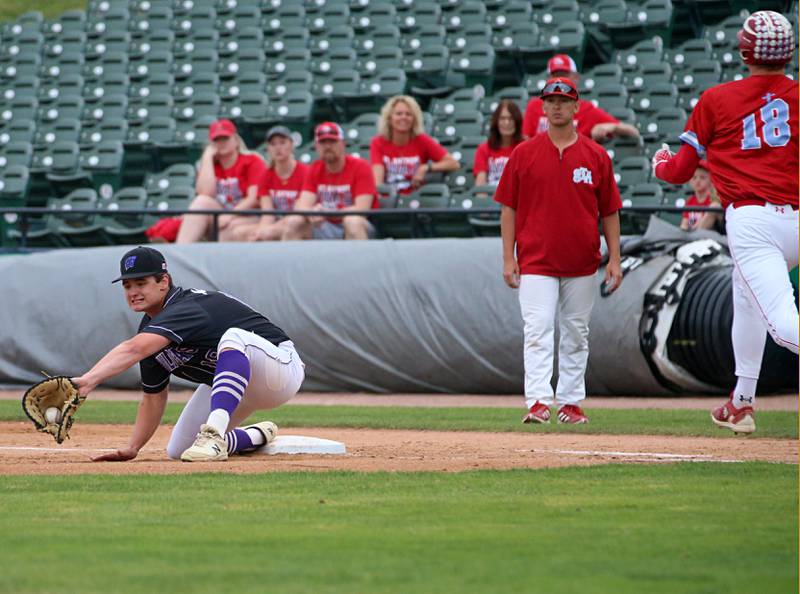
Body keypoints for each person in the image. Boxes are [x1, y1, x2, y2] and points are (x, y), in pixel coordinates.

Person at [653, 10, 798, 434]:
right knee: (745, 298)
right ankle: (741, 401)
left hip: (754, 221)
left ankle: (742, 401)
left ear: (745, 51)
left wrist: (660, 162)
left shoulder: (717, 99)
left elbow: (681, 170)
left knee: (782, 325)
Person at [72, 246, 305, 462]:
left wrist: (88, 380)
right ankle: (254, 436)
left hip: (280, 370)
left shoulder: (186, 307)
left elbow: (134, 349)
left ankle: (214, 435)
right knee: (179, 450)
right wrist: (133, 448)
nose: (133, 292)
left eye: (141, 283)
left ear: (164, 282)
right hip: (235, 387)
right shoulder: (151, 331)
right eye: (127, 286)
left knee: (234, 336)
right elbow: (153, 397)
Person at [495, 77, 623, 425]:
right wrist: (508, 257)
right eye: (551, 100)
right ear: (543, 107)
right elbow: (509, 208)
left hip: (582, 260)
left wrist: (615, 258)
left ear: (576, 106)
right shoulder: (524, 153)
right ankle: (538, 400)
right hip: (536, 258)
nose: (557, 106)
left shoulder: (595, 155)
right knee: (537, 329)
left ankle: (570, 401)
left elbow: (610, 211)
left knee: (576, 332)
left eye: (564, 101)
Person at [175, 119, 267, 243]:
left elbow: (254, 199)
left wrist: (230, 215)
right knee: (201, 202)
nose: (221, 143)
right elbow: (205, 194)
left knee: (227, 227)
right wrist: (207, 157)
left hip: (250, 216)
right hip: (221, 215)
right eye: (216, 140)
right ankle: (181, 249)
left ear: (236, 140)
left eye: (225, 138)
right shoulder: (210, 166)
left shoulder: (252, 160)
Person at [282, 122, 377, 240]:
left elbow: (362, 209)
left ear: (342, 144)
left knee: (352, 221)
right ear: (316, 147)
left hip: (359, 225)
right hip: (324, 225)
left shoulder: (361, 167)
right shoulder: (315, 168)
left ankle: (360, 253)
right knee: (294, 222)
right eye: (323, 142)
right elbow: (302, 204)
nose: (327, 146)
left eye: (332, 141)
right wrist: (312, 212)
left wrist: (329, 212)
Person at [521, 54, 640, 142]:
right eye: (555, 76)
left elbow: (633, 132)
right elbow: (525, 141)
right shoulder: (535, 105)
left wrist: (610, 127)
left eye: (564, 75)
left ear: (576, 78)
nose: (559, 80)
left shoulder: (586, 110)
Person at [229, 126, 308, 242]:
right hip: (276, 222)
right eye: (273, 144)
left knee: (288, 226)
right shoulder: (265, 175)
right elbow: (268, 214)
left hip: (299, 224)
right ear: (268, 148)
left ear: (291, 145)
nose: (278, 148)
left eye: (282, 142)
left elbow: (299, 211)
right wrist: (260, 232)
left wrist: (267, 231)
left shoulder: (305, 172)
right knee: (239, 232)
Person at [370, 95, 460, 195]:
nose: (404, 117)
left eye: (408, 114)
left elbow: (453, 163)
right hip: (389, 198)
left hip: (416, 198)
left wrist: (426, 167)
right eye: (398, 114)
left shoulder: (422, 140)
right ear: (389, 118)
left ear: (414, 119)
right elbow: (377, 178)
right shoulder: (378, 142)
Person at [473, 100, 524, 186]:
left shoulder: (525, 148)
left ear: (517, 122)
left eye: (511, 119)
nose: (506, 123)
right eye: (502, 118)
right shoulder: (484, 149)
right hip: (491, 194)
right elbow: (480, 184)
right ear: (496, 122)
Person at [680, 160, 721, 232]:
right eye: (694, 177)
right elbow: (684, 223)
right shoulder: (690, 201)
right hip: (690, 235)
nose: (697, 180)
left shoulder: (714, 200)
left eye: (702, 177)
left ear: (711, 180)